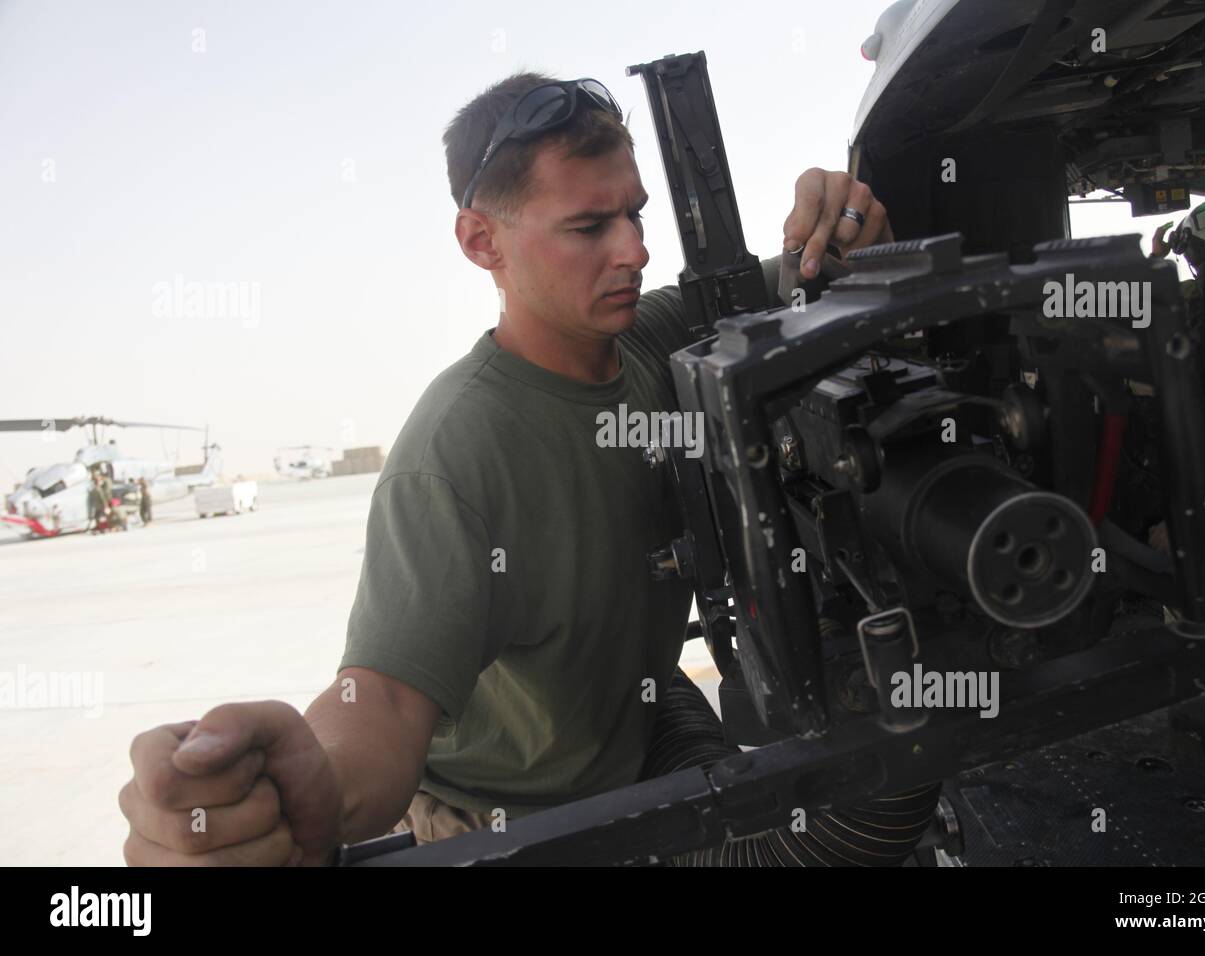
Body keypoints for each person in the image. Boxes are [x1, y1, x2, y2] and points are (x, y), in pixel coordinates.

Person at [118, 71, 894, 866]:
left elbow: (813, 279)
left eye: (634, 213)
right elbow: (382, 699)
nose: (635, 249)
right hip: (520, 819)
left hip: (638, 725)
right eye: (590, 226)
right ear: (482, 242)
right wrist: (300, 787)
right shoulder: (453, 453)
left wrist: (849, 223)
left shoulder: (646, 335)